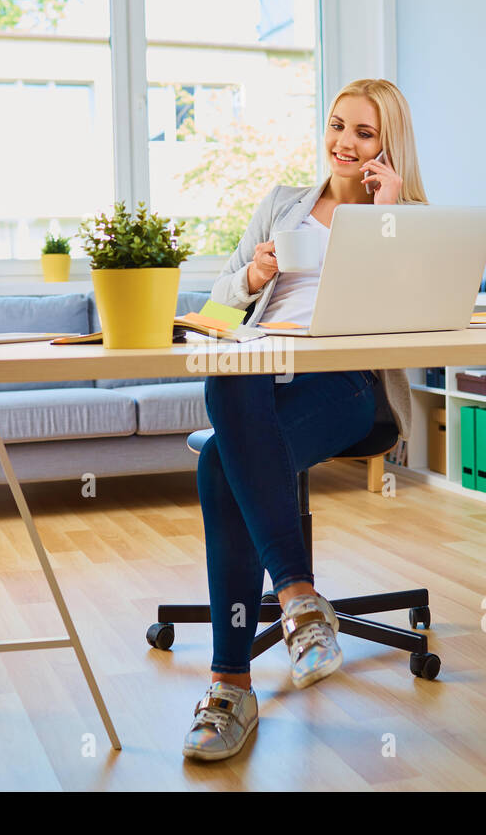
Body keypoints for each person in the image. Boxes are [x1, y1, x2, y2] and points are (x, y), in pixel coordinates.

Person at [183, 78, 429, 761]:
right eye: (337, 126)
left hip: (347, 387)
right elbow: (218, 312)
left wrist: (386, 217)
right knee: (229, 379)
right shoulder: (281, 205)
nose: (344, 144)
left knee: (218, 463)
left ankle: (230, 685)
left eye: (364, 133)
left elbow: (417, 321)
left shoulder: (407, 216)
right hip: (260, 377)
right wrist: (252, 281)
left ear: (389, 146)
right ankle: (298, 601)